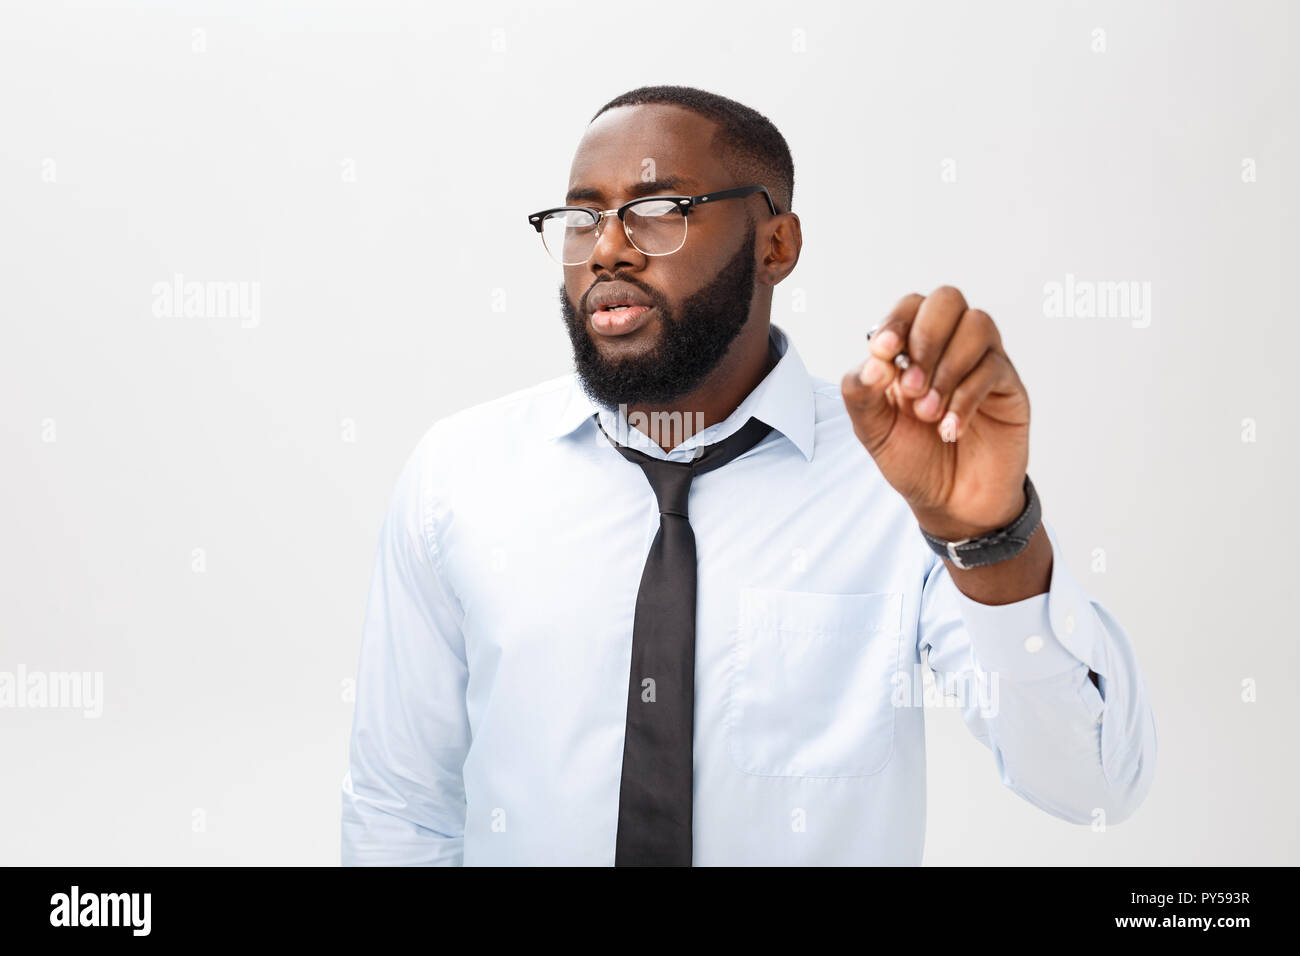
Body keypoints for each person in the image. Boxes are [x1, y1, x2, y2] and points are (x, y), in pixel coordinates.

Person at [340, 85, 1156, 866]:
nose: (609, 248)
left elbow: (1092, 785)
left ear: (777, 245)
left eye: (660, 210)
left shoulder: (894, 483)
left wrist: (987, 536)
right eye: (583, 217)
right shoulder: (461, 476)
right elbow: (400, 807)